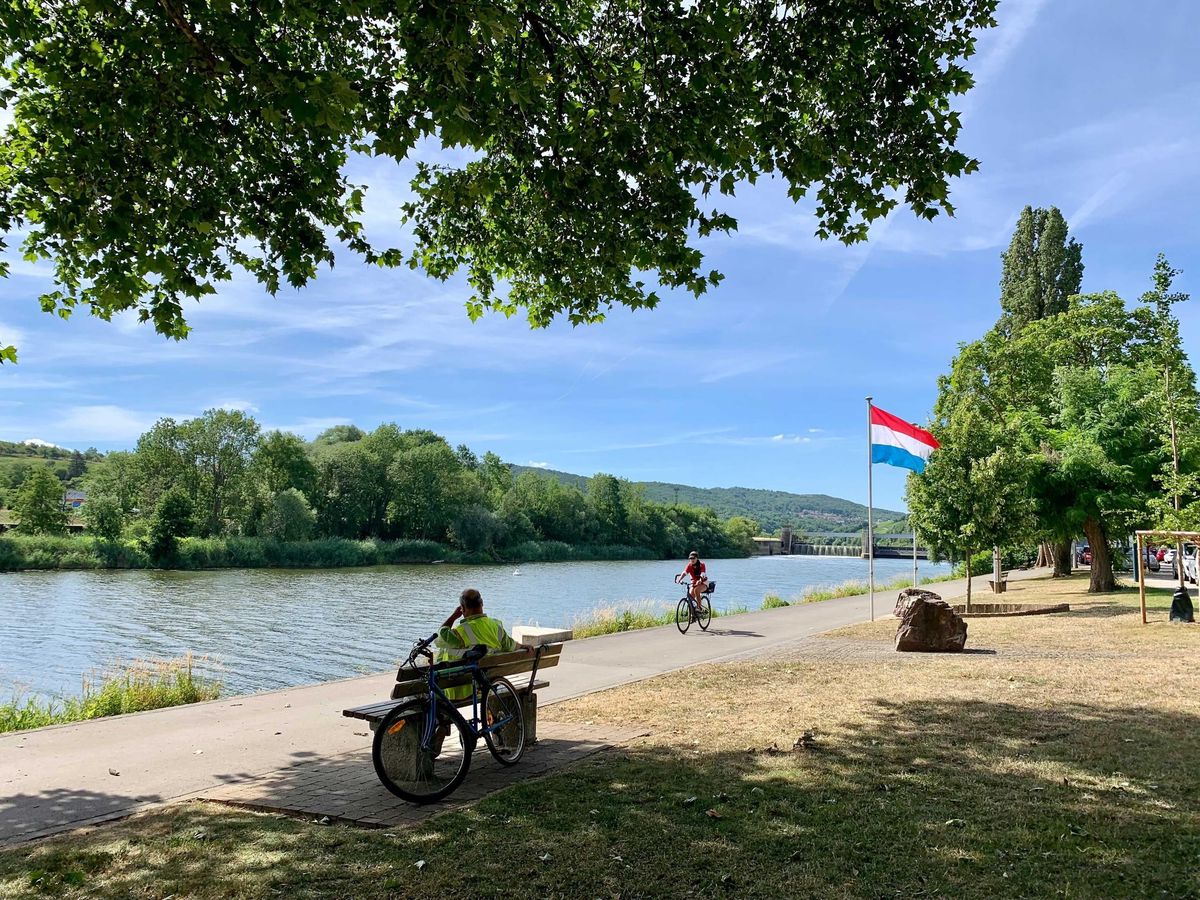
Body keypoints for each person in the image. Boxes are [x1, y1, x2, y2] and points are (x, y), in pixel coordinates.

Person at [435, 588, 524, 702]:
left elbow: (438, 638)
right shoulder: (496, 626)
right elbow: (510, 645)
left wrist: (453, 616)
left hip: (459, 691)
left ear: (462, 608)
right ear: (482, 604)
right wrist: (522, 646)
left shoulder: (461, 631)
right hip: (487, 686)